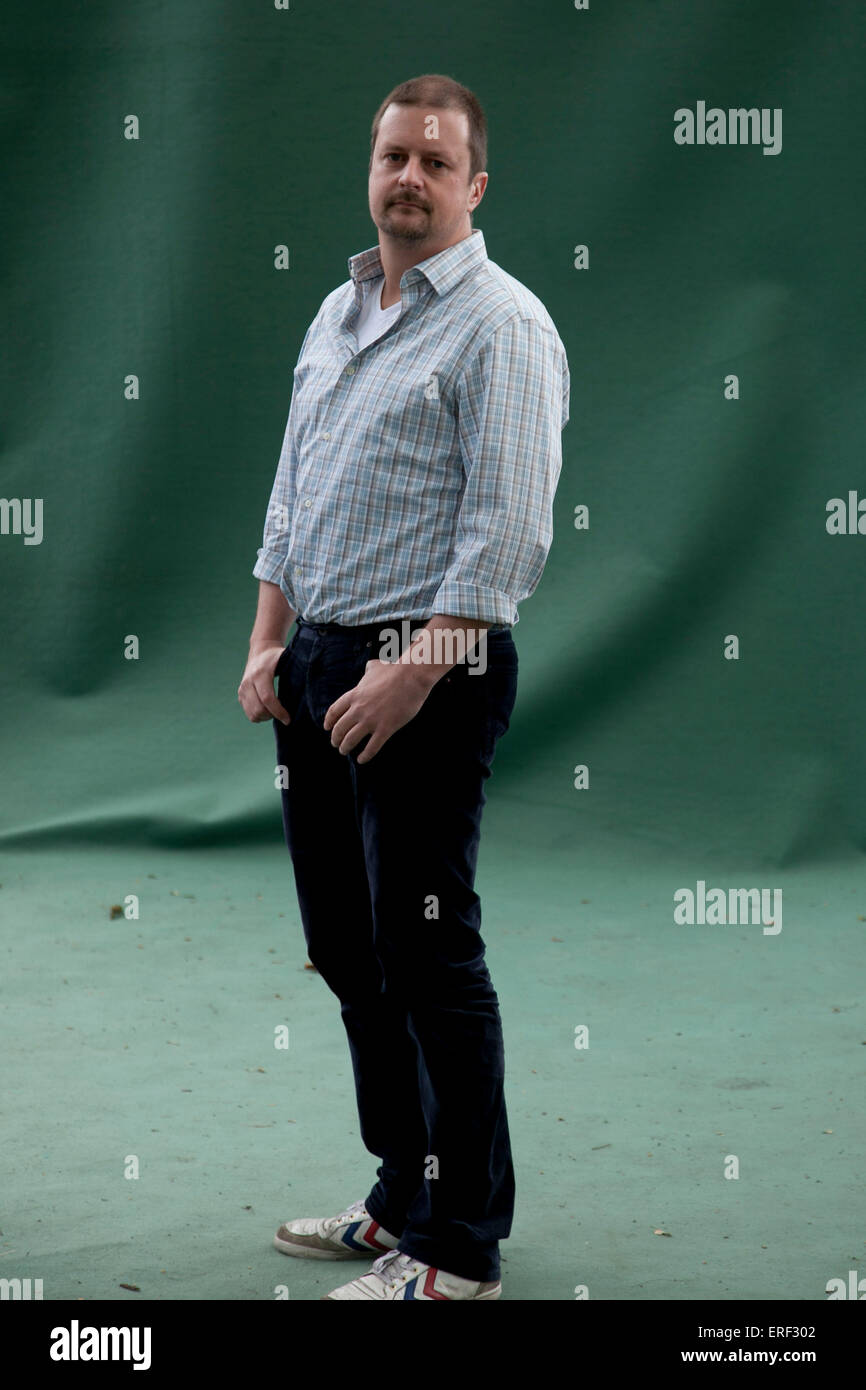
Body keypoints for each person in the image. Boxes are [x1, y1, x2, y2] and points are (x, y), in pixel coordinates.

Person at [238, 73, 569, 1301]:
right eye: (394, 156)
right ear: (370, 168)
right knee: (348, 949)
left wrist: (403, 677)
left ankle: (462, 1248)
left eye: (437, 162)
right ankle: (403, 1193)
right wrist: (269, 640)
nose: (409, 178)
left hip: (432, 669)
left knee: (427, 955)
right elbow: (290, 494)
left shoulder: (504, 328)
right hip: (317, 667)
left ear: (474, 186)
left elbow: (504, 544)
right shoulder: (337, 313)